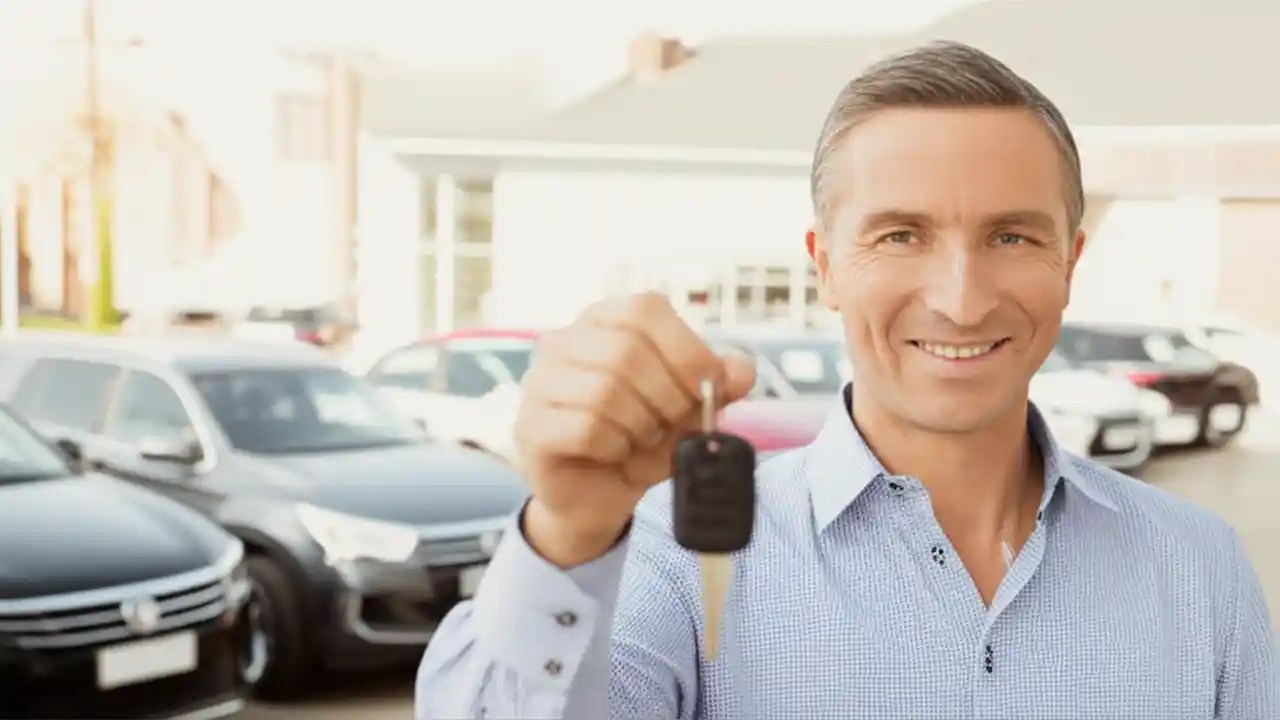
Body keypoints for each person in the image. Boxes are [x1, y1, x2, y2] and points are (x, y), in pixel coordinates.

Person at [414, 40, 1278, 719]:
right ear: (825, 266)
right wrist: (565, 530)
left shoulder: (1198, 569)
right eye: (901, 235)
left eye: (1011, 236)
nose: (961, 299)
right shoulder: (671, 557)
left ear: (1070, 261)